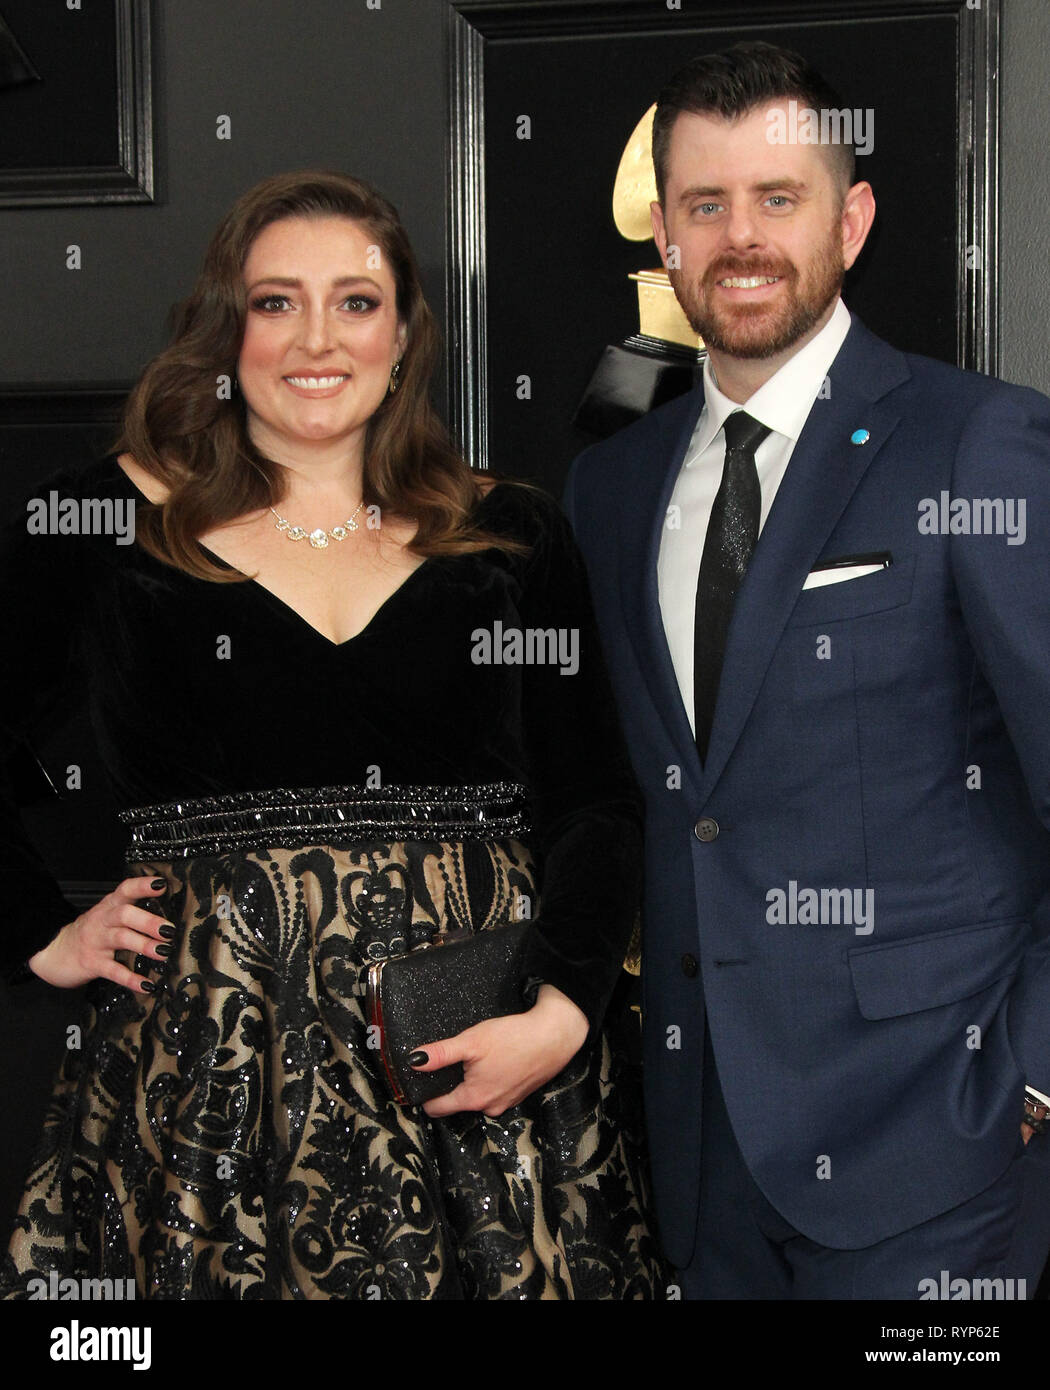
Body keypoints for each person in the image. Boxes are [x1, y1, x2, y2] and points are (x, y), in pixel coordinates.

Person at [0, 170, 664, 1300]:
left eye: (356, 302)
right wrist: (35, 931)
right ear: (228, 326)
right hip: (208, 1081)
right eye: (276, 302)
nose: (318, 338)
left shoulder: (508, 535)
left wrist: (561, 1010)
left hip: (481, 1073)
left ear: (404, 334)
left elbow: (595, 797)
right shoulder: (109, 525)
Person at [564, 40, 1050, 1299]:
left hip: (931, 1148)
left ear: (854, 217)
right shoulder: (612, 484)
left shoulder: (976, 443)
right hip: (698, 1150)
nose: (741, 238)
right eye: (705, 204)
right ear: (663, 237)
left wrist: (1032, 1071)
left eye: (779, 198)